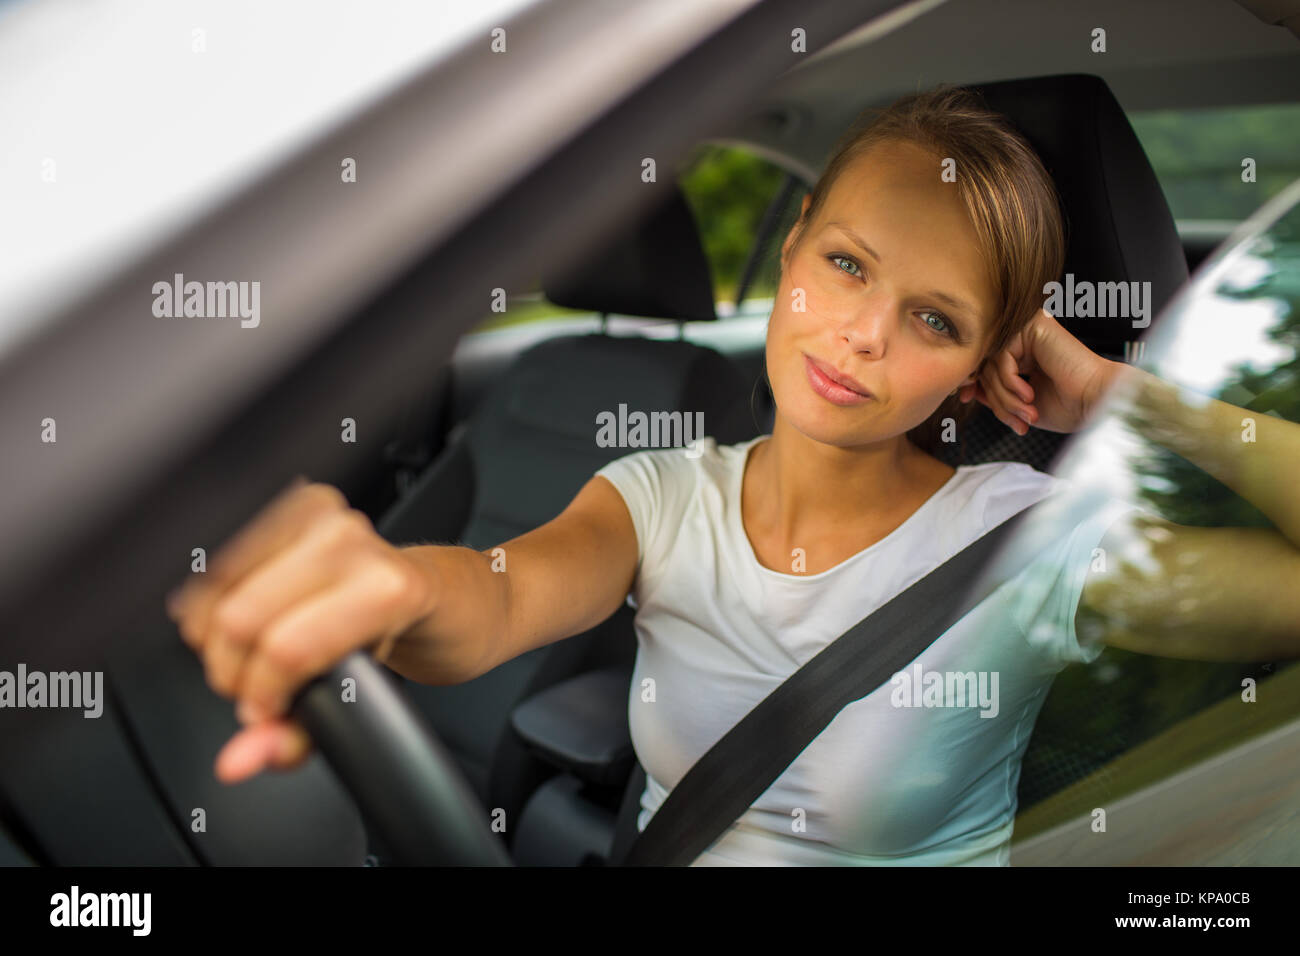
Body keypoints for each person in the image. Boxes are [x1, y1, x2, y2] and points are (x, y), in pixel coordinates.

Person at [166, 86, 1300, 865]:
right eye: (847, 263)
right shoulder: (661, 494)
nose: (861, 333)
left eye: (934, 319)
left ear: (974, 371)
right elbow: (499, 591)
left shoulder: (1026, 541)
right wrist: (396, 585)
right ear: (795, 244)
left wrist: (1118, 396)